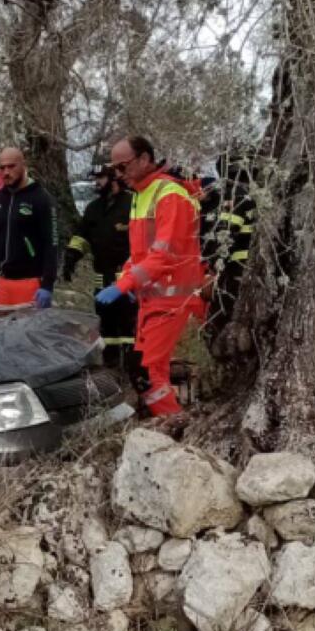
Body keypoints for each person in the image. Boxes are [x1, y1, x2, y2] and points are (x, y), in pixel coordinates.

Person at [95, 135, 205, 430]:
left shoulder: (169, 195)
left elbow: (165, 255)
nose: (118, 174)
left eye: (123, 166)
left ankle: (175, 427)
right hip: (153, 298)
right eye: (114, 168)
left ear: (144, 159)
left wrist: (124, 284)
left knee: (146, 370)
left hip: (171, 297)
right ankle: (172, 421)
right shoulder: (142, 195)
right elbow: (141, 253)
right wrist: (127, 280)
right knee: (146, 368)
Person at [63, 160, 141, 381]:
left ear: (114, 179)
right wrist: (72, 257)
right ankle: (112, 371)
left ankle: (133, 372)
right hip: (101, 280)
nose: (96, 183)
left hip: (127, 281)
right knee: (106, 328)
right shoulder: (93, 208)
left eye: (101, 179)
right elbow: (82, 237)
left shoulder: (132, 204)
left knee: (129, 330)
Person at [0, 147, 58, 307]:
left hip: (29, 282)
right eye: (2, 167)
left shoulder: (41, 198)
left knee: (26, 331)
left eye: (11, 166)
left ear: (23, 165)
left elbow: (52, 243)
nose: (6, 172)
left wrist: (48, 283)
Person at [199, 151, 257, 354]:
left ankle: (220, 368)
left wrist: (212, 268)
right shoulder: (246, 196)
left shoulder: (236, 199)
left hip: (233, 273)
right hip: (239, 272)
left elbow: (225, 237)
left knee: (220, 323)